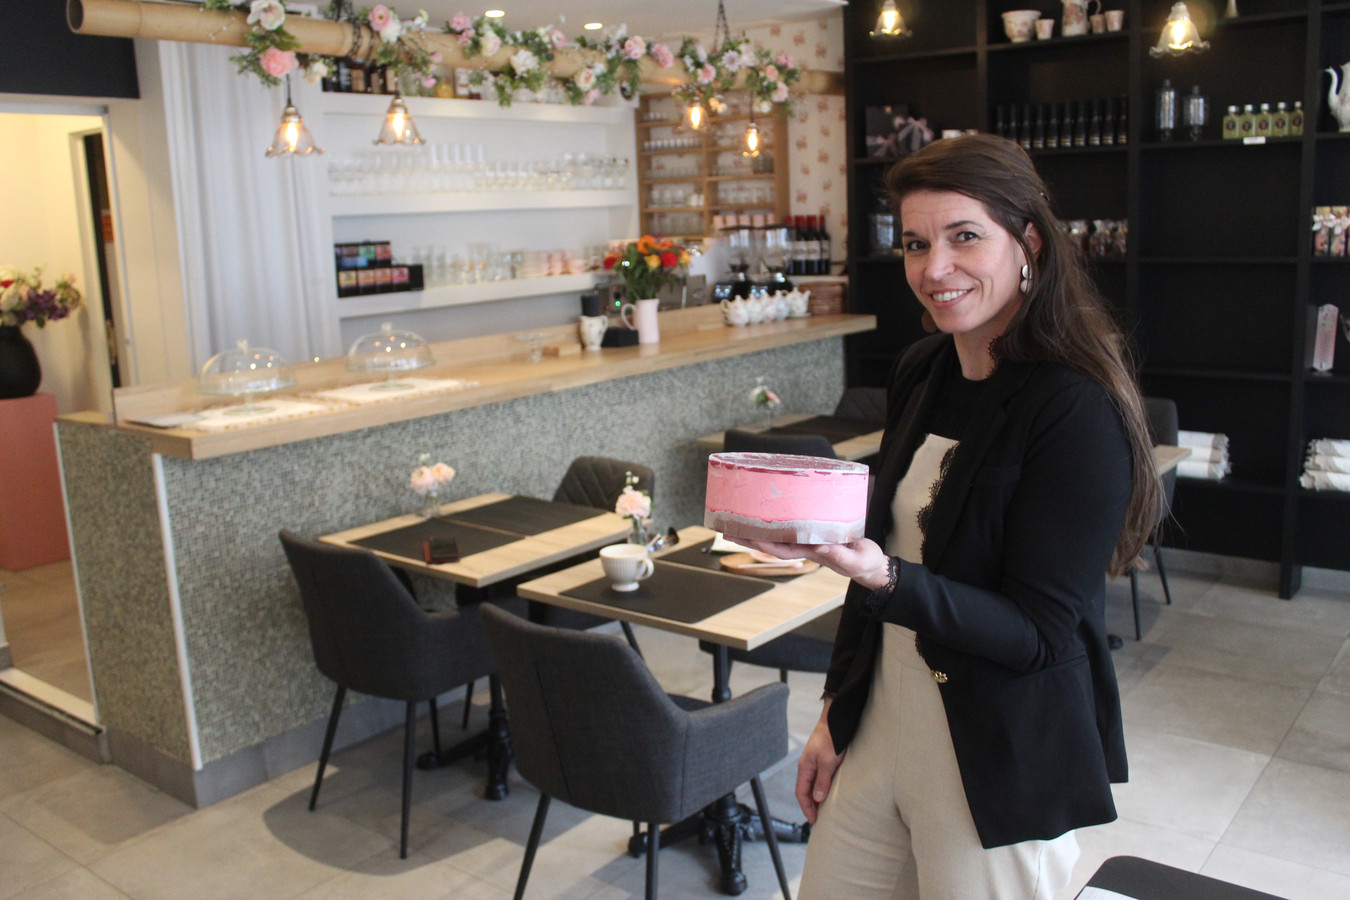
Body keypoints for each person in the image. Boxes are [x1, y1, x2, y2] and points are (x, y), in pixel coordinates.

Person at [746, 133, 1161, 898]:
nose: (935, 269)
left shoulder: (1073, 407)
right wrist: (836, 711)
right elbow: (877, 556)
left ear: (1027, 242)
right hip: (882, 719)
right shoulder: (924, 370)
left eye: (964, 236)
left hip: (998, 747)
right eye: (915, 243)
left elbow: (1037, 635)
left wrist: (883, 574)